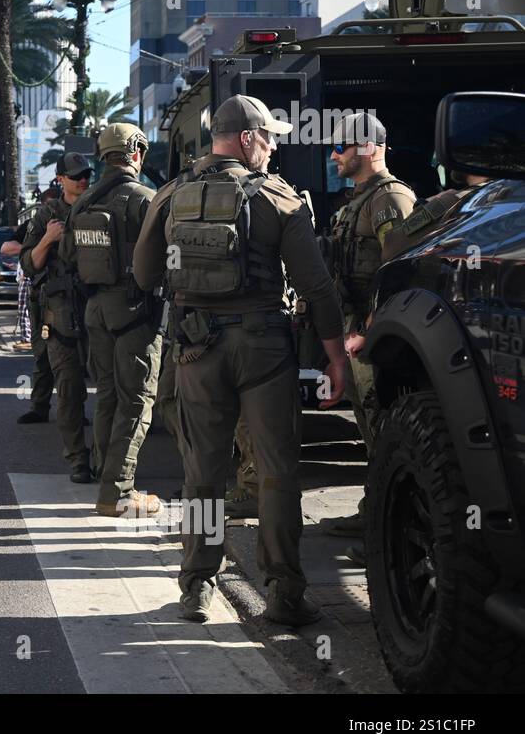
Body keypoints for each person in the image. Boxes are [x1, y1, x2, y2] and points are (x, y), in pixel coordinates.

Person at [134, 94, 347, 627]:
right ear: (247, 139)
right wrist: (334, 355)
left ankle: (198, 588)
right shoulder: (279, 198)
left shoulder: (172, 193)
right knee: (277, 472)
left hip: (195, 349)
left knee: (202, 474)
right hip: (263, 348)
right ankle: (283, 594)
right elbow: (317, 287)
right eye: (269, 137)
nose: (273, 148)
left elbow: (142, 275)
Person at [318, 113, 417, 541]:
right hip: (354, 330)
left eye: (345, 145)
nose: (335, 153)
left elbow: (399, 273)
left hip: (373, 338)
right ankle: (373, 513)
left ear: (372, 149)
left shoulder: (390, 200)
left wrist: (371, 333)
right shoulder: (358, 200)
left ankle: (392, 531)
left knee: (385, 433)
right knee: (369, 432)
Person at [61, 123, 162, 517]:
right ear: (136, 152)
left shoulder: (82, 205)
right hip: (135, 312)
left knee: (107, 395)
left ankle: (107, 474)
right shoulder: (145, 199)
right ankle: (118, 492)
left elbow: (69, 260)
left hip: (96, 313)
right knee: (136, 400)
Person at [20, 152, 94, 482]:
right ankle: (79, 458)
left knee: (111, 390)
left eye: (86, 174)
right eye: (75, 175)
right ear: (60, 178)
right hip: (61, 312)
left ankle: (109, 463)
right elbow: (29, 264)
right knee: (68, 389)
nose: (82, 179)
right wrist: (49, 238)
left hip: (99, 308)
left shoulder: (99, 207)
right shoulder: (47, 215)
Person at [7, 183, 59, 410]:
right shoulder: (34, 224)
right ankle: (39, 406)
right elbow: (12, 250)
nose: (51, 212)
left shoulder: (81, 218)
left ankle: (74, 412)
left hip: (75, 297)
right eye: (47, 207)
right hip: (44, 294)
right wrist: (44, 243)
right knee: (42, 354)